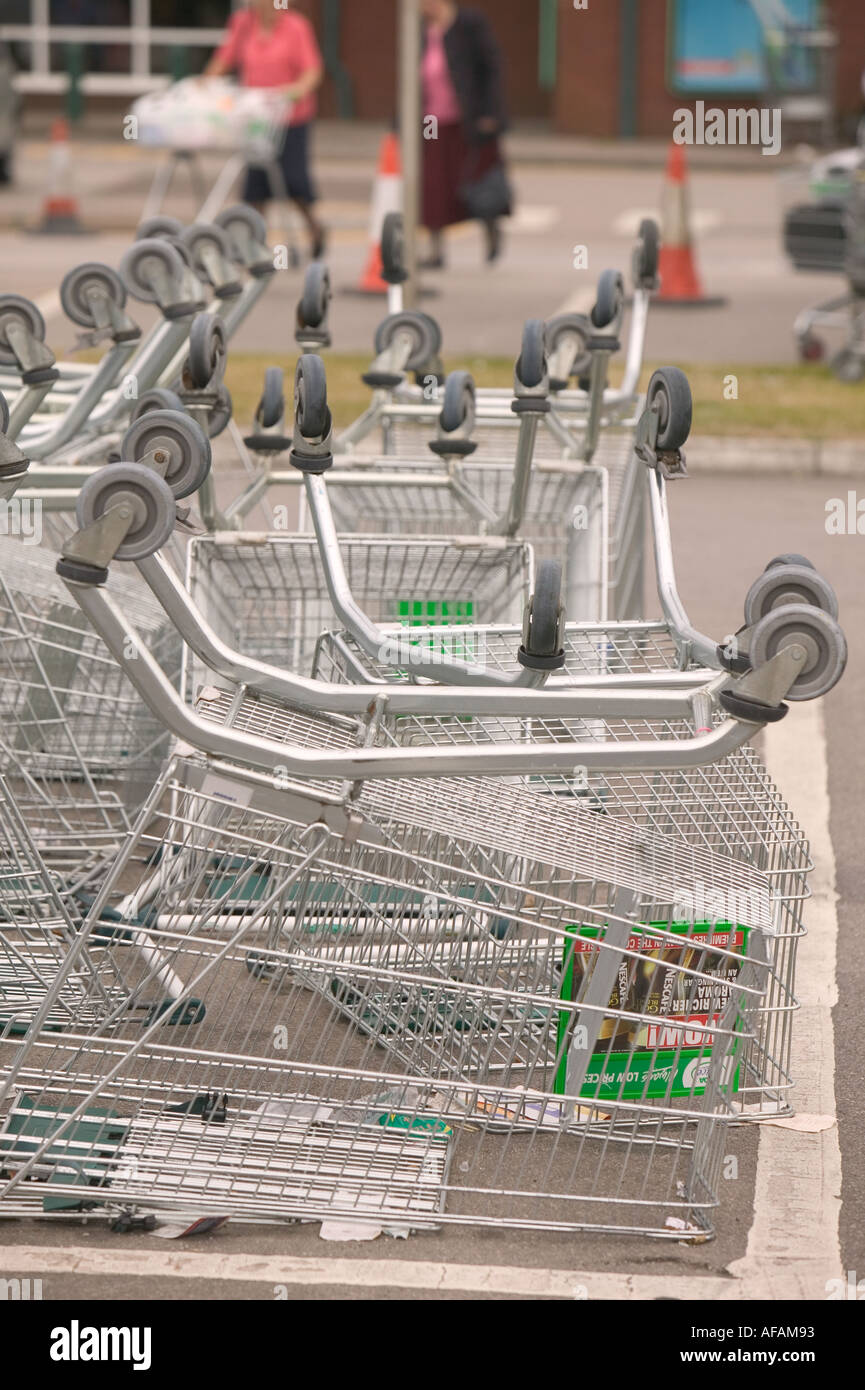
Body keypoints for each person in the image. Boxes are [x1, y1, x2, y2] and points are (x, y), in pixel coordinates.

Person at [204, 0, 325, 257]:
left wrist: (295, 91)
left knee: (293, 181)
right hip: (256, 119)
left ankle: (314, 228)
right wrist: (204, 86)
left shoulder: (296, 27)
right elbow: (224, 58)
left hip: (289, 118)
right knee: (255, 183)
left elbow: (312, 70)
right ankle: (253, 243)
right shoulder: (243, 24)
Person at [420, 0, 510, 268]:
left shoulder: (469, 24)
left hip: (469, 119)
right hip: (432, 120)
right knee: (434, 184)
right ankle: (436, 249)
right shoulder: (420, 31)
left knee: (477, 178)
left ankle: (490, 228)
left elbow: (492, 67)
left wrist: (491, 114)